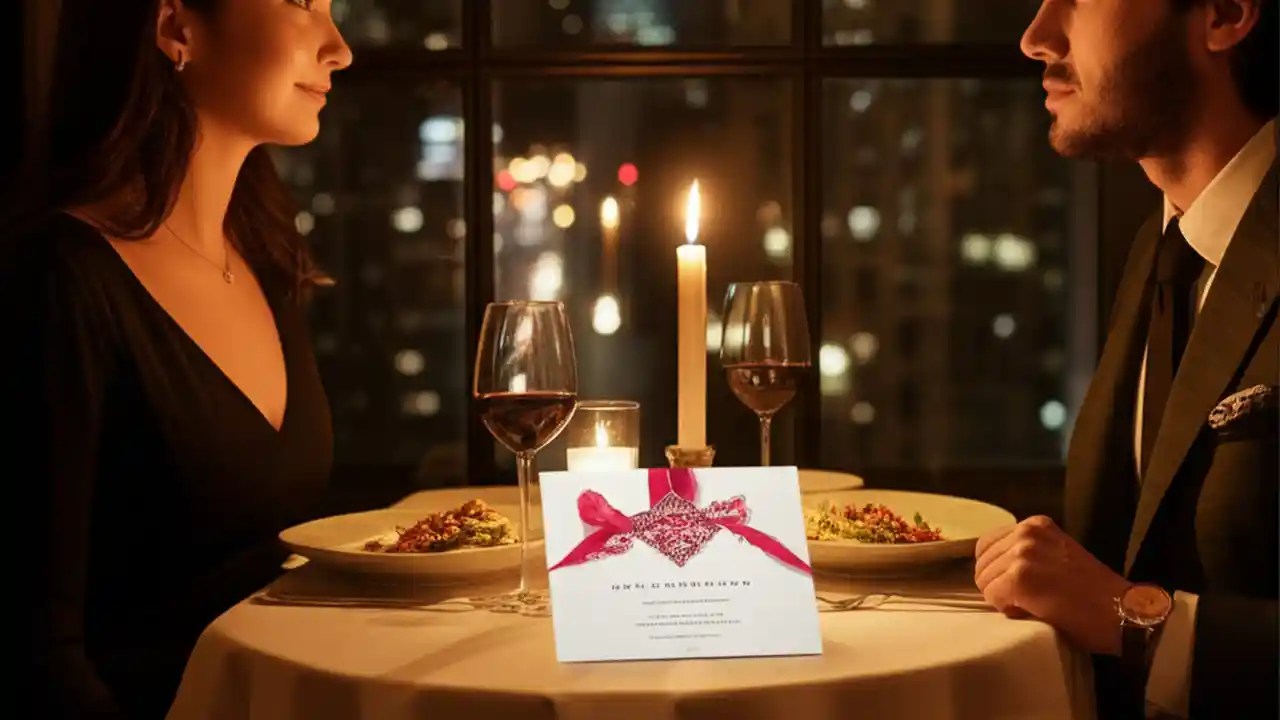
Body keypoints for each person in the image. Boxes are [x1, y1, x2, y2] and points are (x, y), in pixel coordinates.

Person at [7, 0, 352, 717]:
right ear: (176, 28)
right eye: (301, 4)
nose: (339, 47)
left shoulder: (265, 264)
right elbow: (39, 650)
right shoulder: (63, 280)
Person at [973, 0, 1277, 717]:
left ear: (1226, 14)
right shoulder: (1161, 246)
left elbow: (1121, 602)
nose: (1035, 38)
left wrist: (1130, 617)